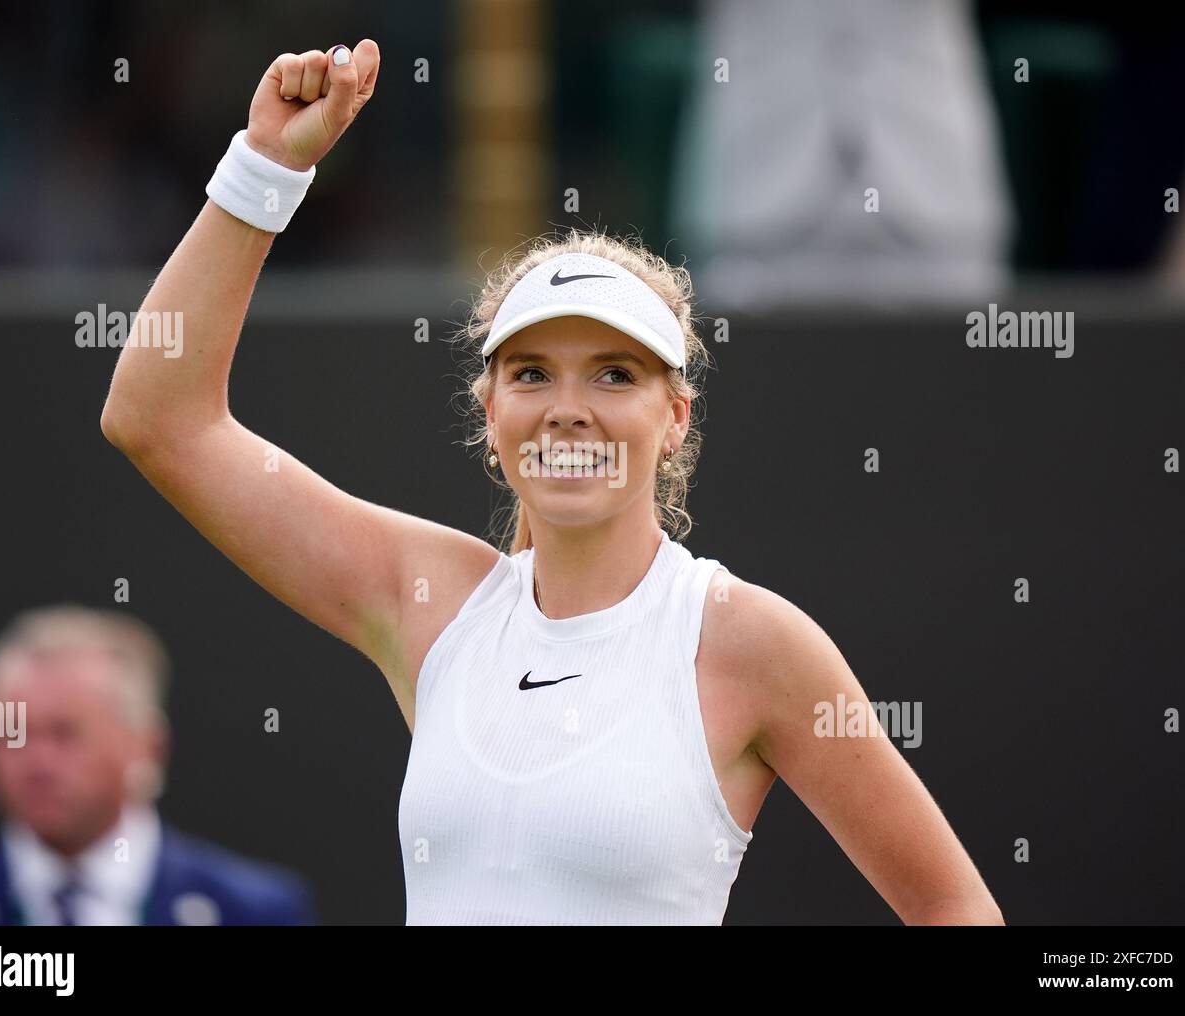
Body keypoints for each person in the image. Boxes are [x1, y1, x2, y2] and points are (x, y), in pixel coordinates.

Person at [99, 40, 1004, 925]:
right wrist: (265, 169)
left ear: (675, 416)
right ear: (489, 413)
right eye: (532, 374)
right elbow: (159, 419)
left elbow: (951, 907)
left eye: (615, 374)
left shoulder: (749, 641)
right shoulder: (432, 604)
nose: (569, 408)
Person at [0, 605, 314, 926]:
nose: (37, 761)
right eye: (13, 733)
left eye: (65, 734)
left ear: (145, 746)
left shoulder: (252, 913)